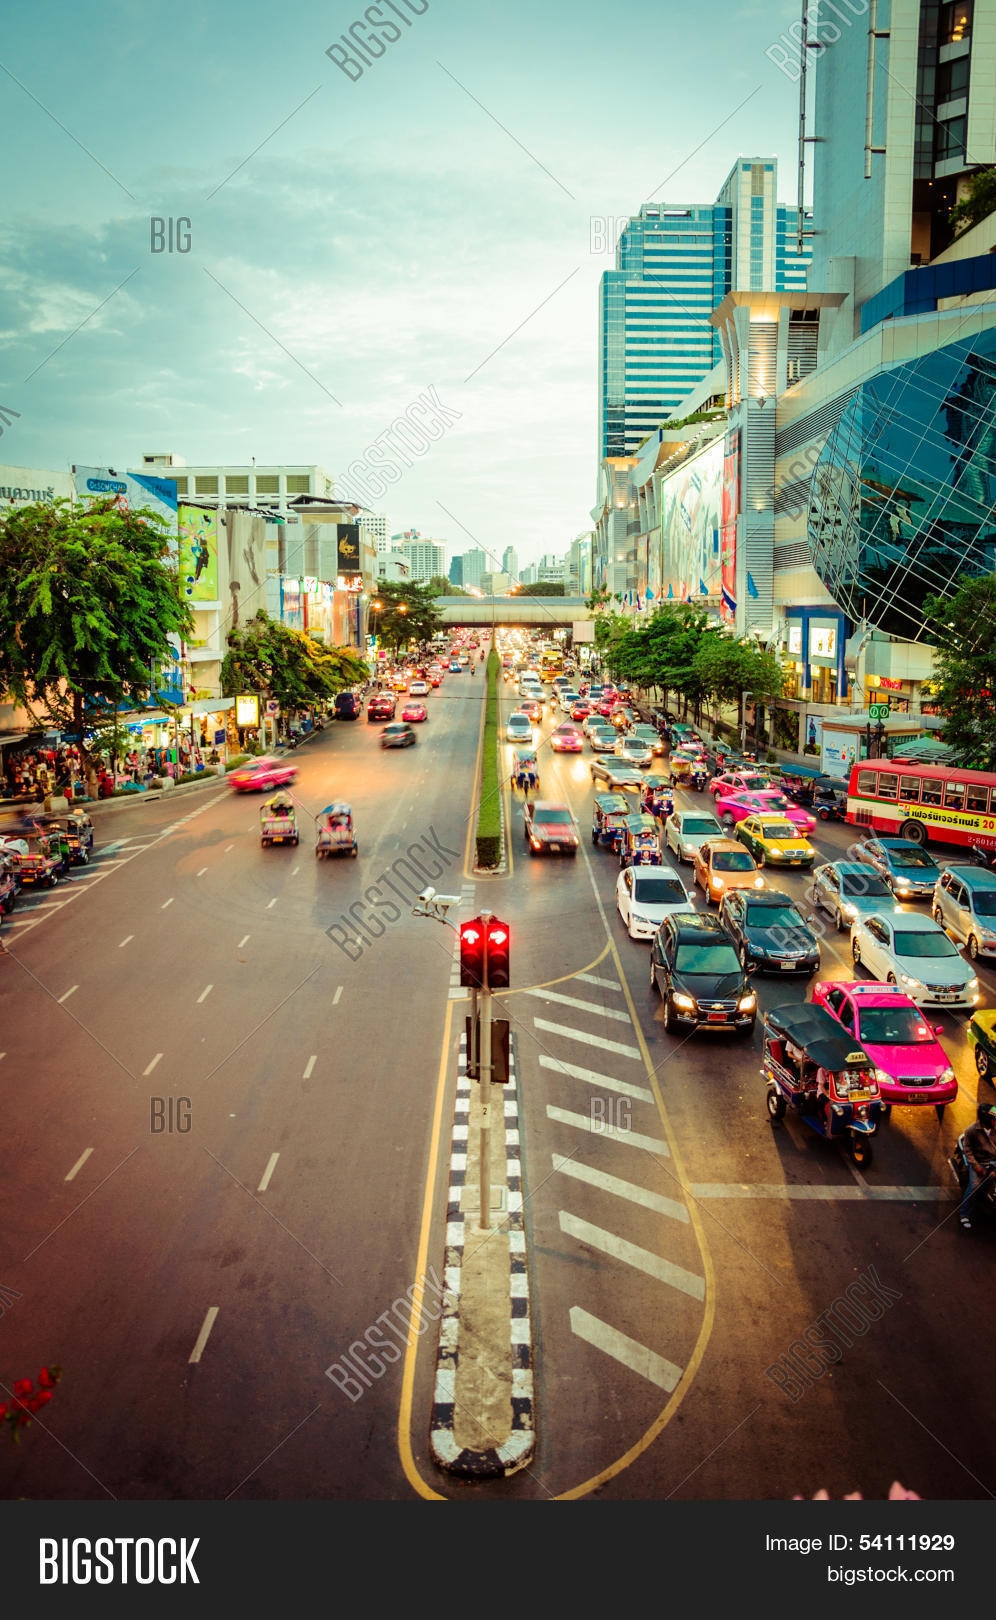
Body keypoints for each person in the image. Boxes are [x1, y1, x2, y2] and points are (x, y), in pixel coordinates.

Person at [959, 1102, 996, 1230]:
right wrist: (976, 1167)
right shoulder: (972, 1130)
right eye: (993, 1118)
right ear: (986, 1120)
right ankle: (964, 1214)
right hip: (980, 1163)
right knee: (974, 1186)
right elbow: (967, 1150)